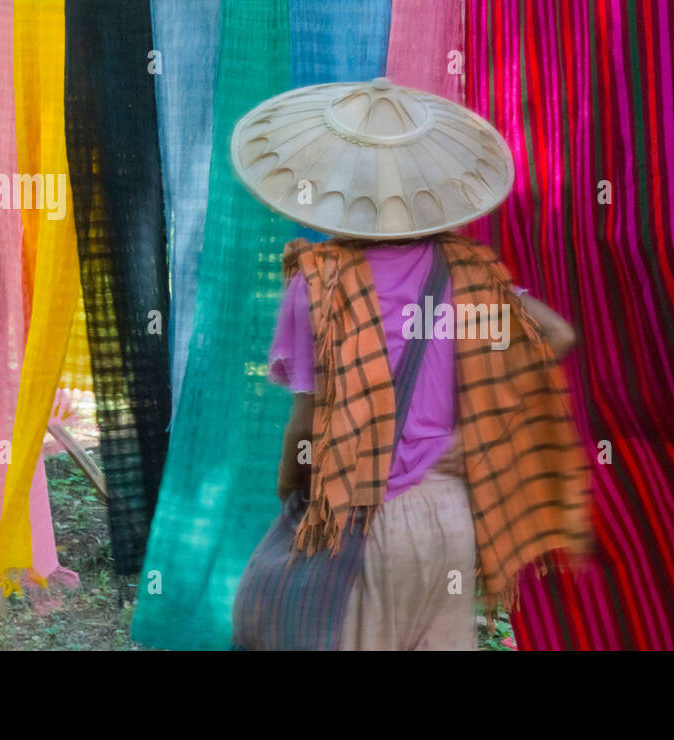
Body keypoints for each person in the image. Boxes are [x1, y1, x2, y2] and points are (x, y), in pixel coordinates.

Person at [230, 78, 590, 651]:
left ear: (335, 189)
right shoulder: (466, 276)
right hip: (448, 514)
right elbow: (559, 332)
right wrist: (475, 437)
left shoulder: (318, 281)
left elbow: (306, 424)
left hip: (355, 515)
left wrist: (289, 495)